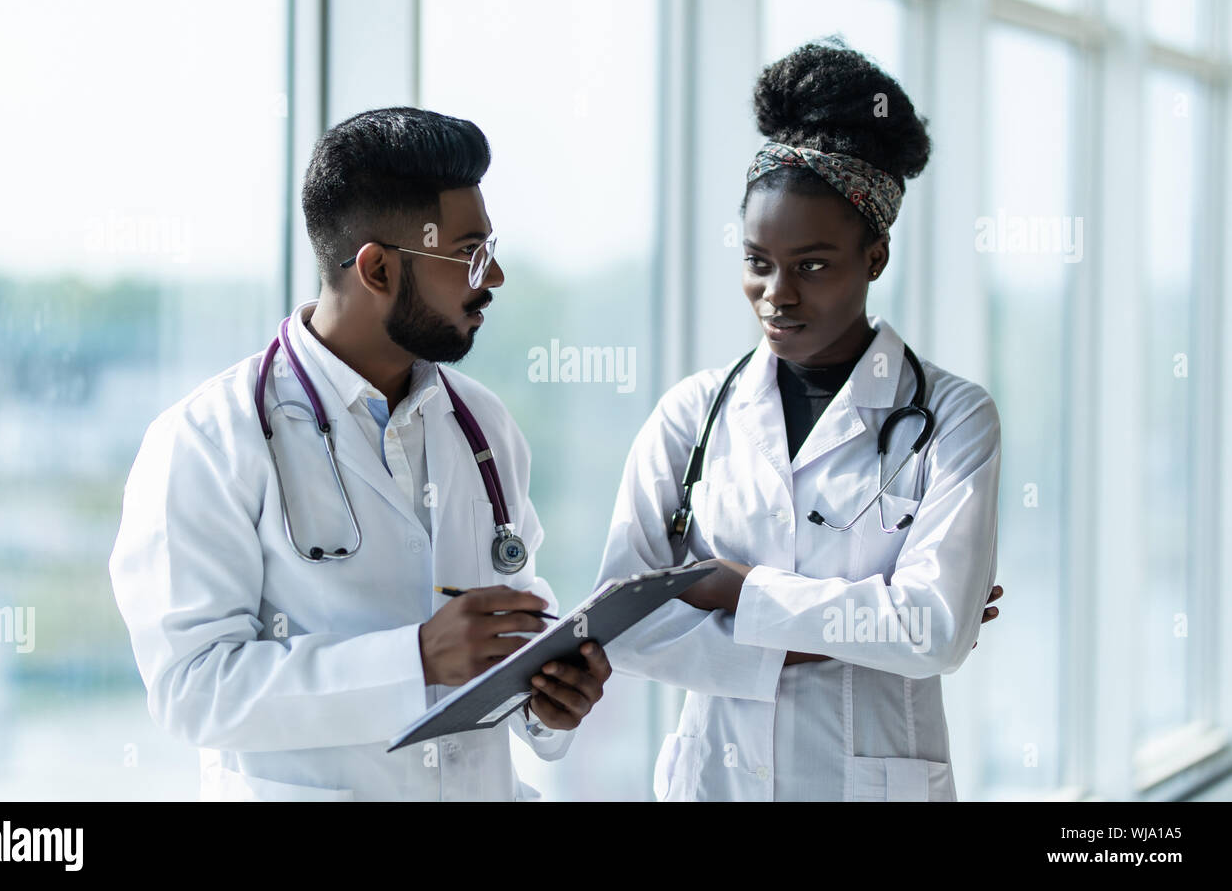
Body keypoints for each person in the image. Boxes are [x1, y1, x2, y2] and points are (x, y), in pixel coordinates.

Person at [109, 107, 611, 801]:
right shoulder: (208, 439)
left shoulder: (483, 425)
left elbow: (514, 611)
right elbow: (194, 691)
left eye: (490, 247)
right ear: (375, 269)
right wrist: (416, 660)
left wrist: (549, 698)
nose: (492, 277)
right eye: (468, 253)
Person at [595, 39, 1002, 801]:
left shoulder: (952, 417)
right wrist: (833, 633)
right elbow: (623, 618)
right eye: (758, 261)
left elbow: (933, 631)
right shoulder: (692, 414)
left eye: (813, 264)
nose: (777, 294)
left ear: (875, 257)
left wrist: (728, 586)